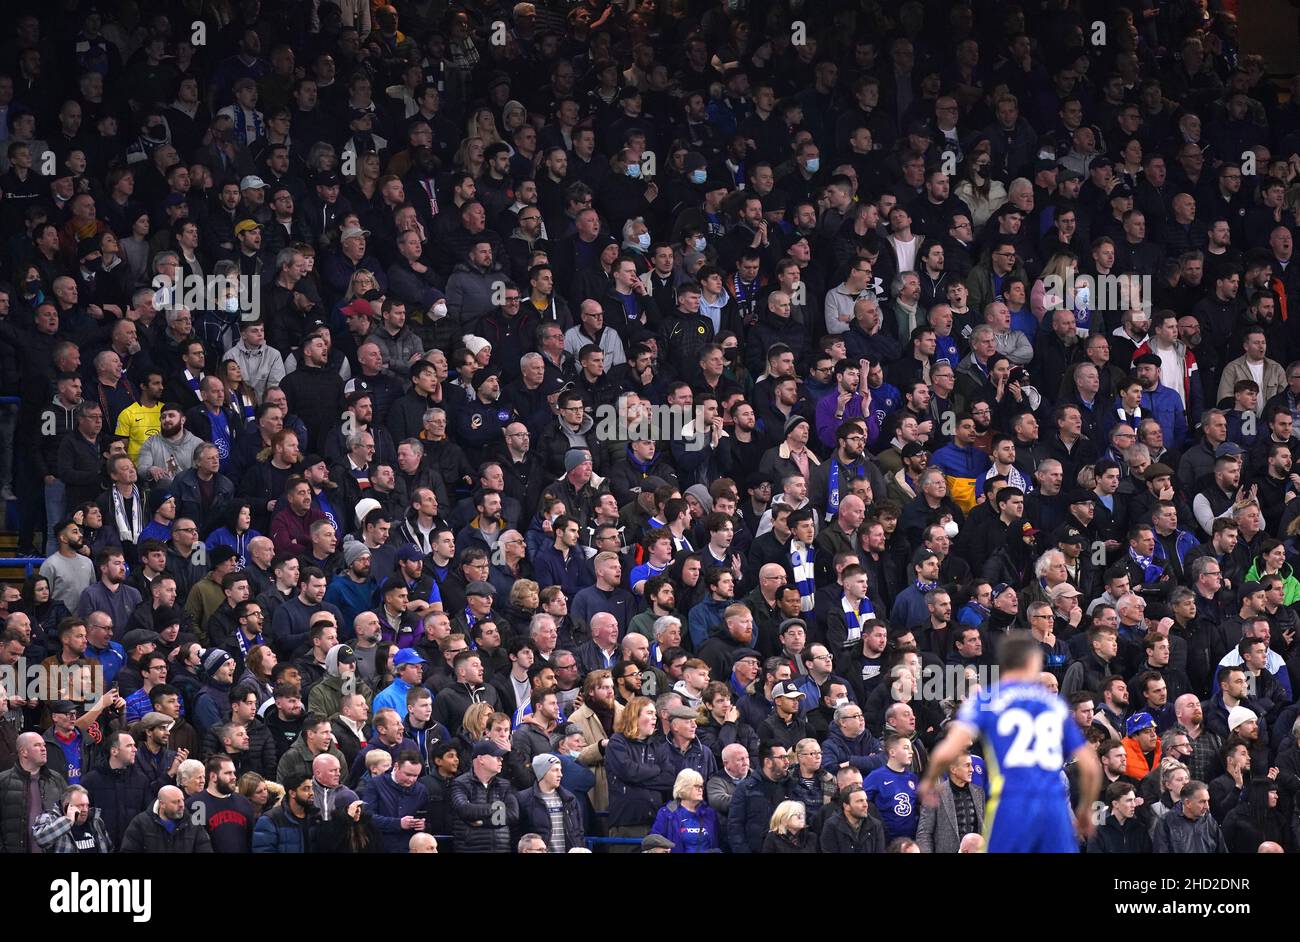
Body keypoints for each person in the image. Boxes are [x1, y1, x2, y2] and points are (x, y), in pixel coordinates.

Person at [921, 636, 1101, 852]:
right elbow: (1091, 767)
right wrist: (1084, 809)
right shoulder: (1055, 705)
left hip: (1011, 804)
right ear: (1033, 662)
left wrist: (930, 781)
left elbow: (947, 750)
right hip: (1052, 806)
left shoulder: (986, 699)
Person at [31, 785, 114, 853]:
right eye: (80, 805)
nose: (85, 809)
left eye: (87, 805)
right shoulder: (49, 818)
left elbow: (110, 848)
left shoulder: (96, 821)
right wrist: (68, 821)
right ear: (67, 806)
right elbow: (40, 839)